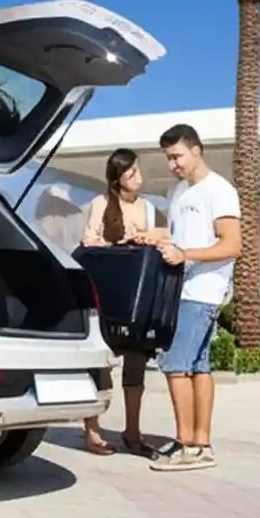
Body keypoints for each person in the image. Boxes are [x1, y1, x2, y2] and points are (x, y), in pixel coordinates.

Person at [143, 123, 241, 472]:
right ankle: (200, 444)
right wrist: (151, 235)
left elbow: (232, 245)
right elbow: (177, 235)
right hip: (178, 289)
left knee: (174, 364)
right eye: (168, 158)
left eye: (177, 156)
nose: (173, 164)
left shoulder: (220, 191)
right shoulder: (178, 191)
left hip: (202, 292)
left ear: (196, 150)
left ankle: (186, 445)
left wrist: (186, 255)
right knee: (198, 366)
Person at [78, 148, 156, 457]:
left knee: (136, 360)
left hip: (135, 292)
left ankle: (133, 431)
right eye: (131, 173)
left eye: (138, 170)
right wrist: (115, 242)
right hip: (107, 290)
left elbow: (155, 241)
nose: (138, 177)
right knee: (101, 361)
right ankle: (92, 432)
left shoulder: (147, 207)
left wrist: (144, 238)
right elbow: (88, 242)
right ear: (117, 179)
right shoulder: (100, 204)